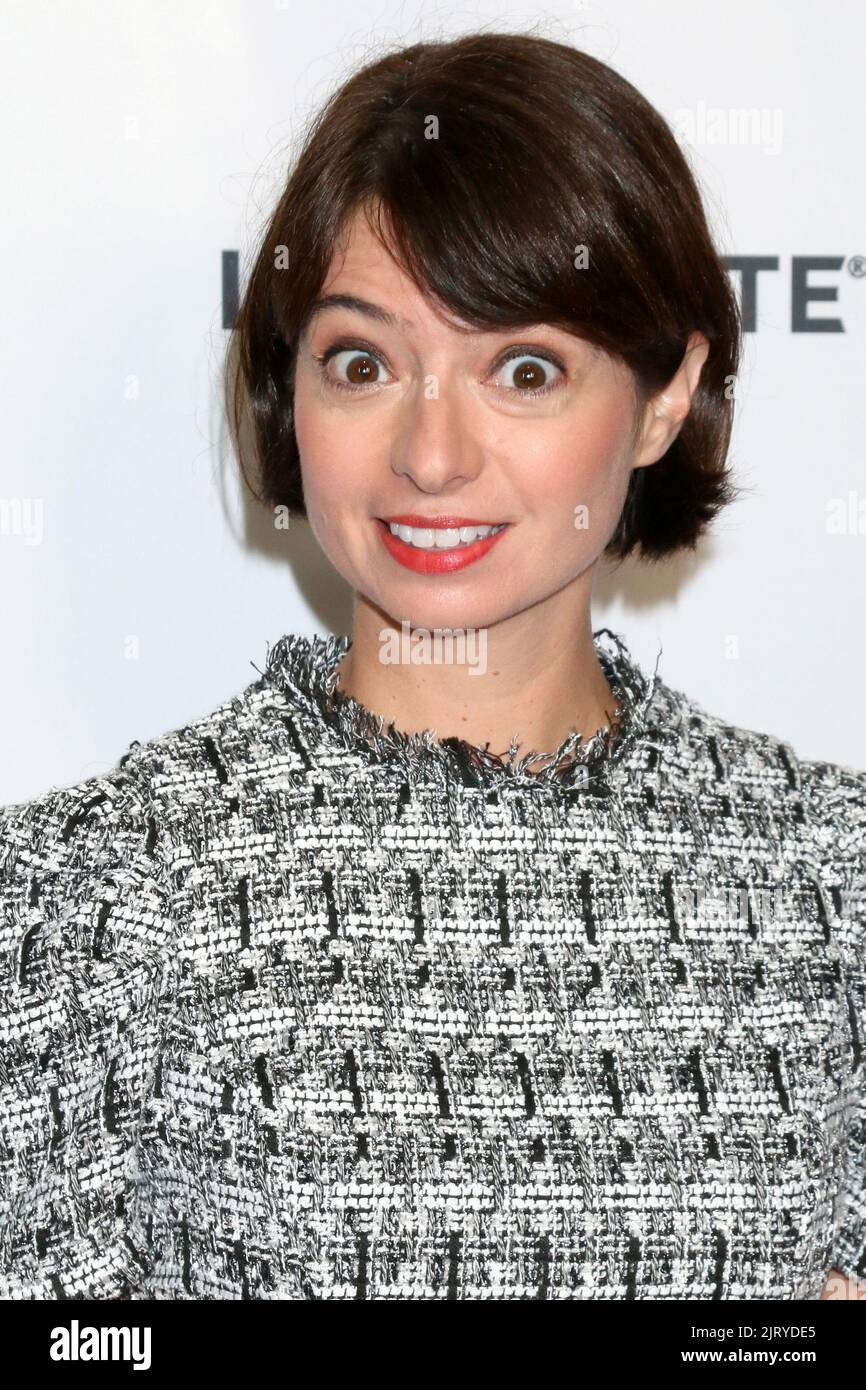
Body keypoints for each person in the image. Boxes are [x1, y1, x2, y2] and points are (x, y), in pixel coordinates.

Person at [1, 30, 864, 1302]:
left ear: (665, 397)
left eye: (524, 369)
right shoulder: (92, 899)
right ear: (287, 386)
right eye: (362, 361)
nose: (430, 453)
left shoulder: (828, 885)